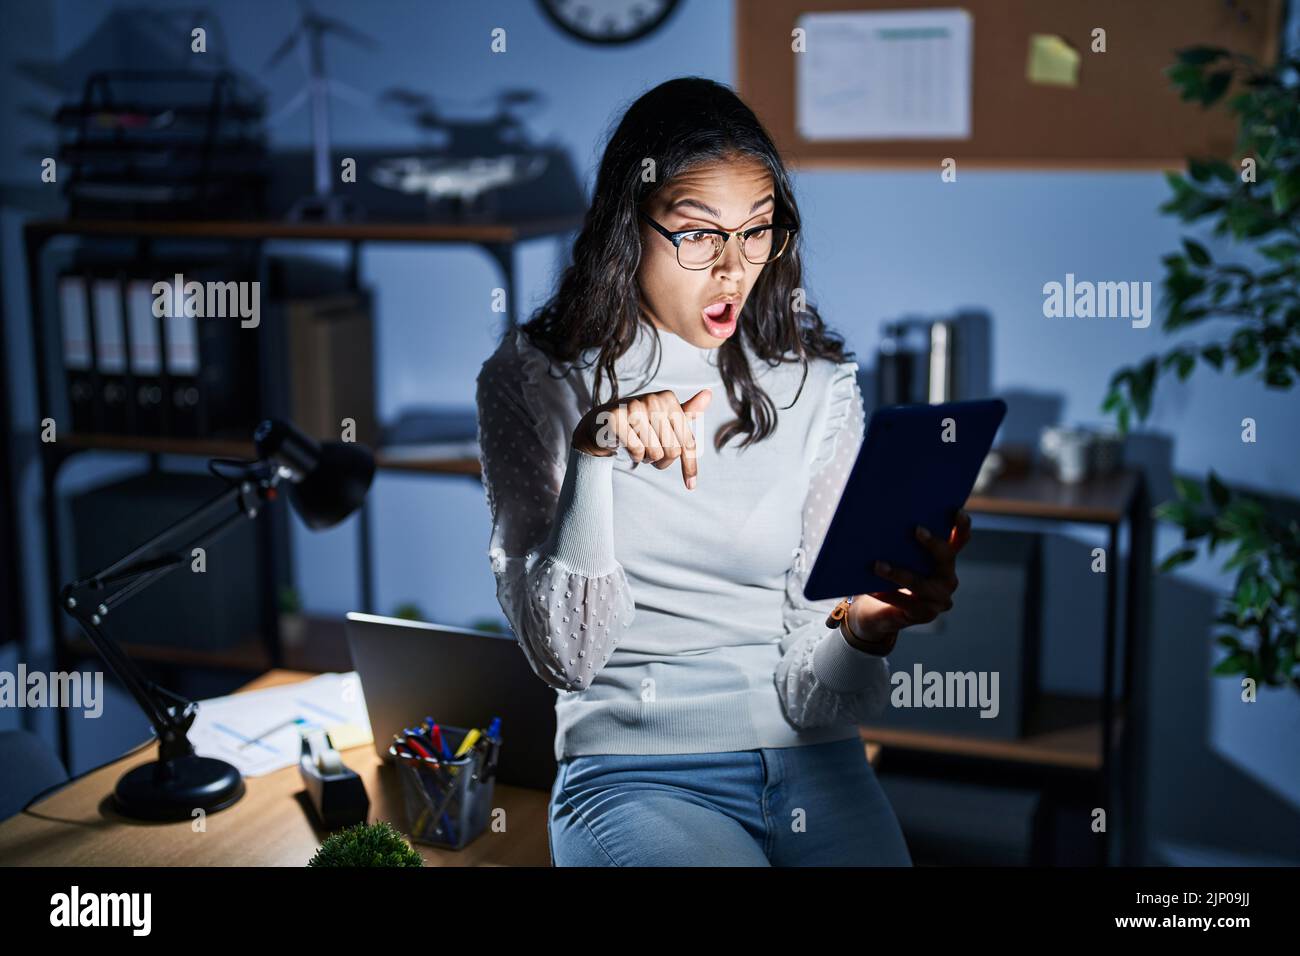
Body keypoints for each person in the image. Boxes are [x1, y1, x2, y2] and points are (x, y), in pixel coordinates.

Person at [475, 77, 970, 866]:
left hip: (815, 759)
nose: (734, 270)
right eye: (699, 235)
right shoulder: (534, 379)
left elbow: (815, 677)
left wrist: (868, 624)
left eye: (759, 232)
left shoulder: (819, 385)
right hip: (636, 777)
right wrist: (595, 451)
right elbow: (565, 654)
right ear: (625, 227)